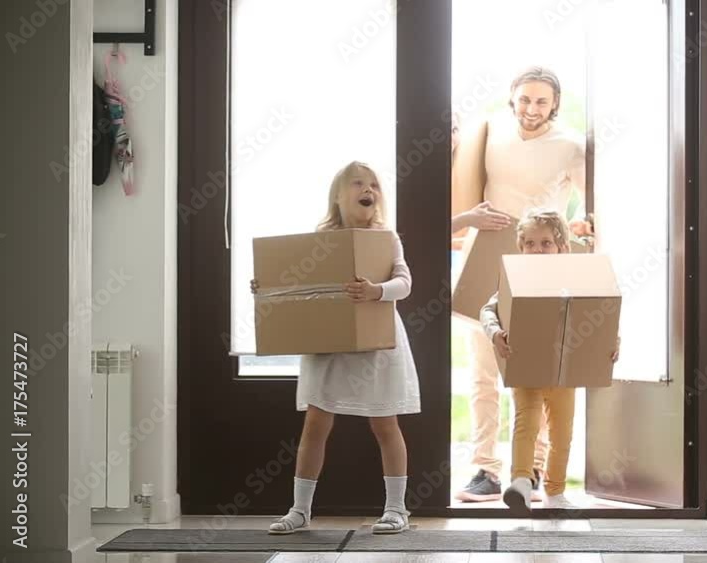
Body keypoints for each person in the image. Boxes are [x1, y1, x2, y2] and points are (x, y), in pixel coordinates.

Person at [253, 161, 421, 535]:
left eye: (374, 185)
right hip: (329, 344)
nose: (369, 190)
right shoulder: (320, 240)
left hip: (377, 343)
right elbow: (302, 289)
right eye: (359, 183)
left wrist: (377, 291)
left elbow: (404, 282)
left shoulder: (386, 238)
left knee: (384, 421)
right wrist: (267, 286)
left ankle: (397, 509)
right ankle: (299, 510)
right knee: (315, 423)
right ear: (338, 196)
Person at [451, 66, 588, 502]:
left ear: (555, 104)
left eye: (541, 101)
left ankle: (533, 471)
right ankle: (486, 468)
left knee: (537, 371)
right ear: (513, 100)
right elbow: (464, 180)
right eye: (524, 99)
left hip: (539, 263)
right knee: (484, 371)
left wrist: (580, 228)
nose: (531, 108)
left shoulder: (570, 146)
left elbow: (588, 207)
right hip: (488, 253)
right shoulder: (491, 131)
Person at [480, 209, 620, 512]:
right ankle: (520, 481)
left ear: (562, 248)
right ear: (520, 249)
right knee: (526, 422)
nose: (537, 249)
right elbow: (488, 310)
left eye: (545, 243)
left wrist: (609, 343)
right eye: (529, 244)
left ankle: (554, 492)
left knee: (562, 433)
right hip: (527, 366)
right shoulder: (516, 281)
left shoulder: (575, 282)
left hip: (564, 372)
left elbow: (599, 315)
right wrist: (495, 333)